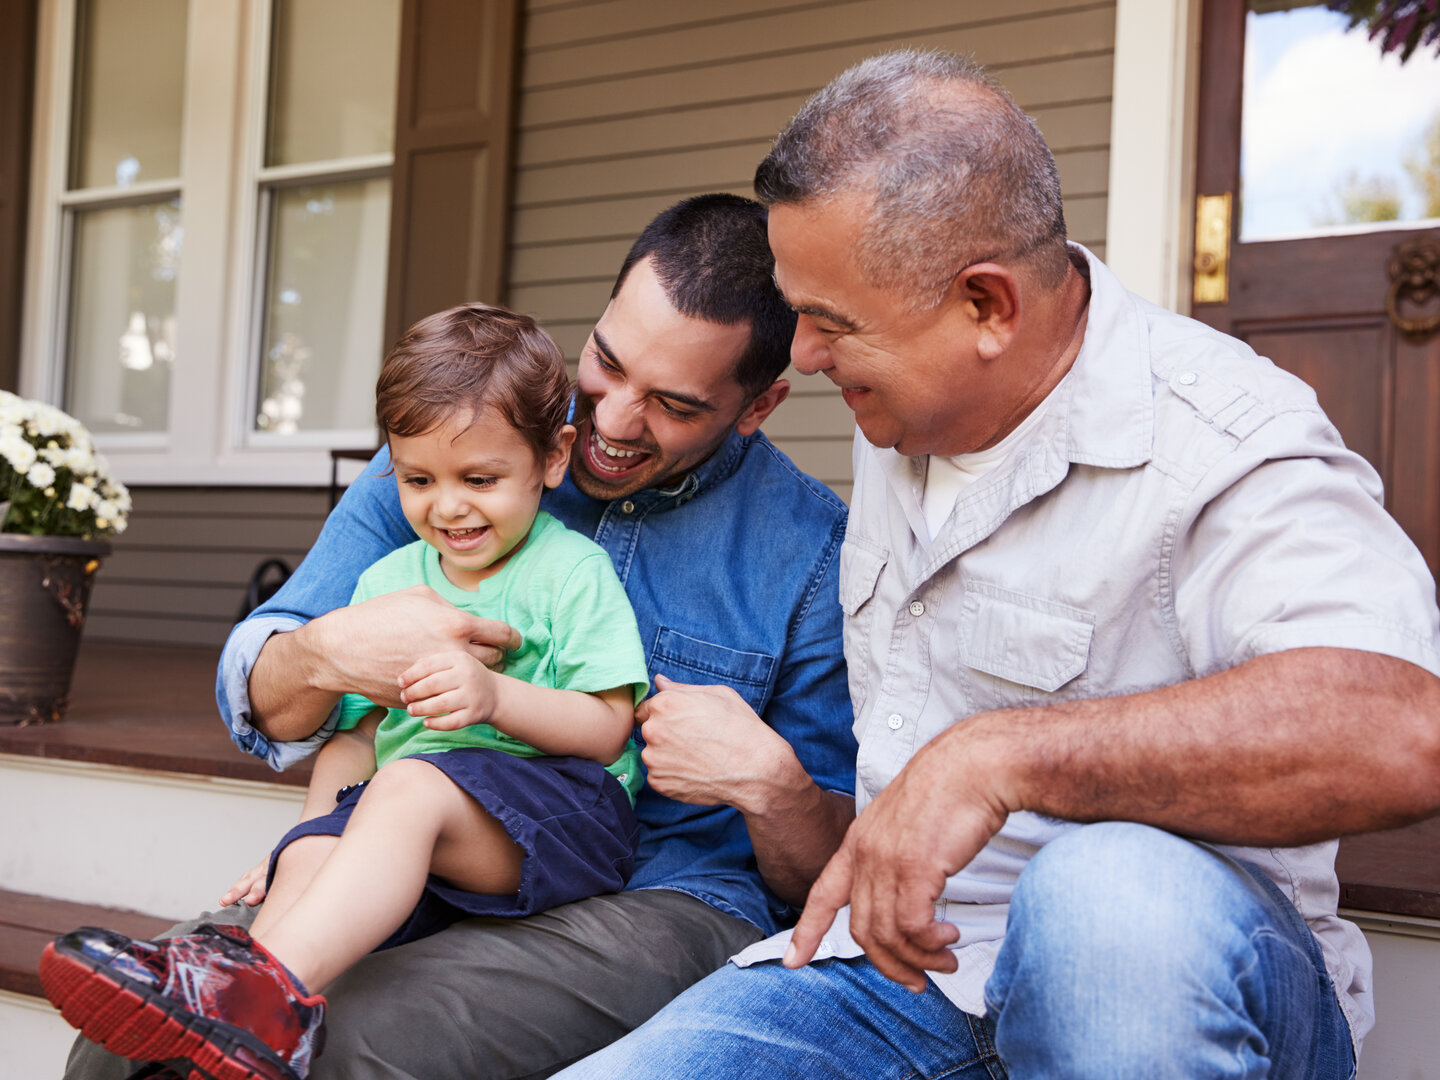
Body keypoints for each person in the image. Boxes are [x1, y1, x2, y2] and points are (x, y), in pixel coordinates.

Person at [549, 50, 1440, 1080]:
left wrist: (1000, 756)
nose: (799, 358)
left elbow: (1399, 725)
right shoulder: (906, 418)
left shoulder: (1221, 437)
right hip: (901, 976)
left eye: (832, 324)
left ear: (987, 307)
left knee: (1102, 890)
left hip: (1166, 984)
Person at [61, 194, 856, 1080]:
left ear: (759, 404)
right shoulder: (456, 448)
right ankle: (255, 986)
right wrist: (328, 658)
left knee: (352, 1041)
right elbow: (277, 687)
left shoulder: (814, 554)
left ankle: (266, 998)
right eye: (606, 362)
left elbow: (825, 868)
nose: (616, 422)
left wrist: (773, 787)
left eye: (672, 404)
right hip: (420, 839)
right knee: (124, 1046)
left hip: (662, 888)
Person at [44, 304, 655, 1079]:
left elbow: (607, 728)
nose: (448, 505)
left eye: (481, 478)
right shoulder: (388, 583)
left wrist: (496, 699)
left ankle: (261, 995)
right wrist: (300, 840)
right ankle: (238, 1017)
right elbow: (356, 738)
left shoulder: (569, 572)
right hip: (427, 820)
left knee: (402, 788)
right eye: (418, 479)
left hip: (566, 817)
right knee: (330, 835)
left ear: (553, 457)